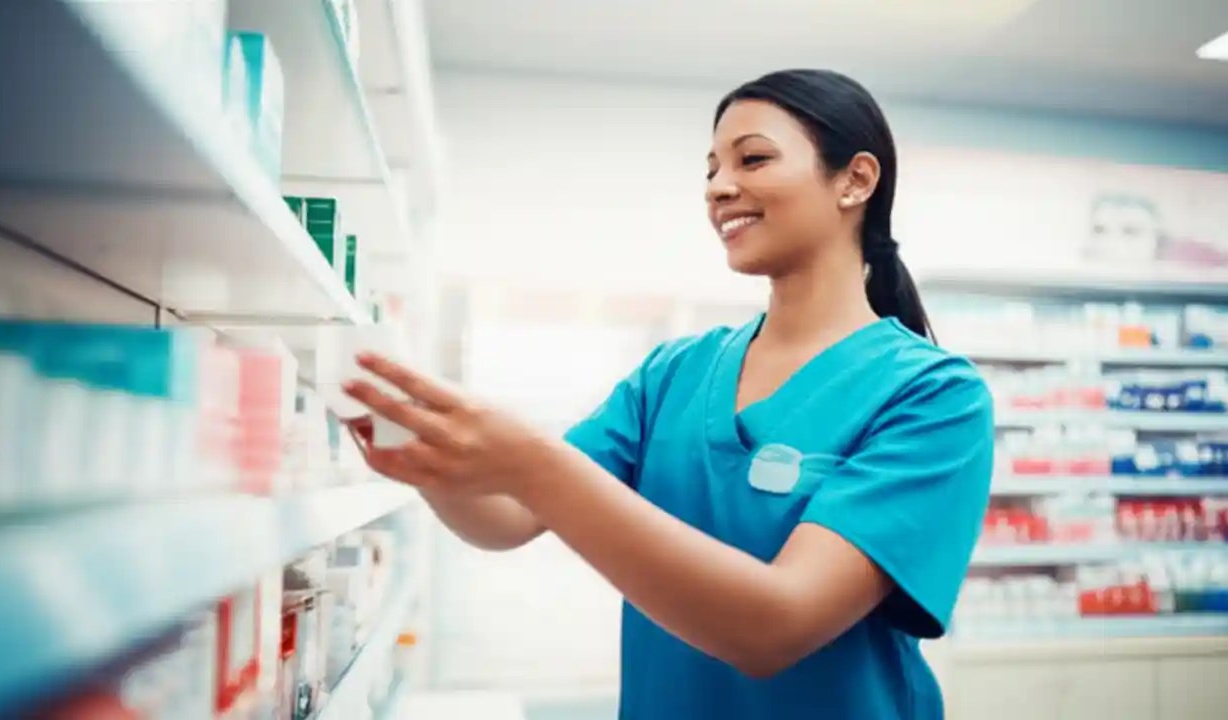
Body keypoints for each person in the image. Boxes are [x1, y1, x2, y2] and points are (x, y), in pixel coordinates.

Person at [343, 68, 995, 719]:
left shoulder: (933, 397)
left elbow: (775, 626)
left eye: (752, 159)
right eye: (711, 169)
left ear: (855, 180)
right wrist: (416, 450)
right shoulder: (676, 373)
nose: (719, 187)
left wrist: (531, 461)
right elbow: (506, 518)